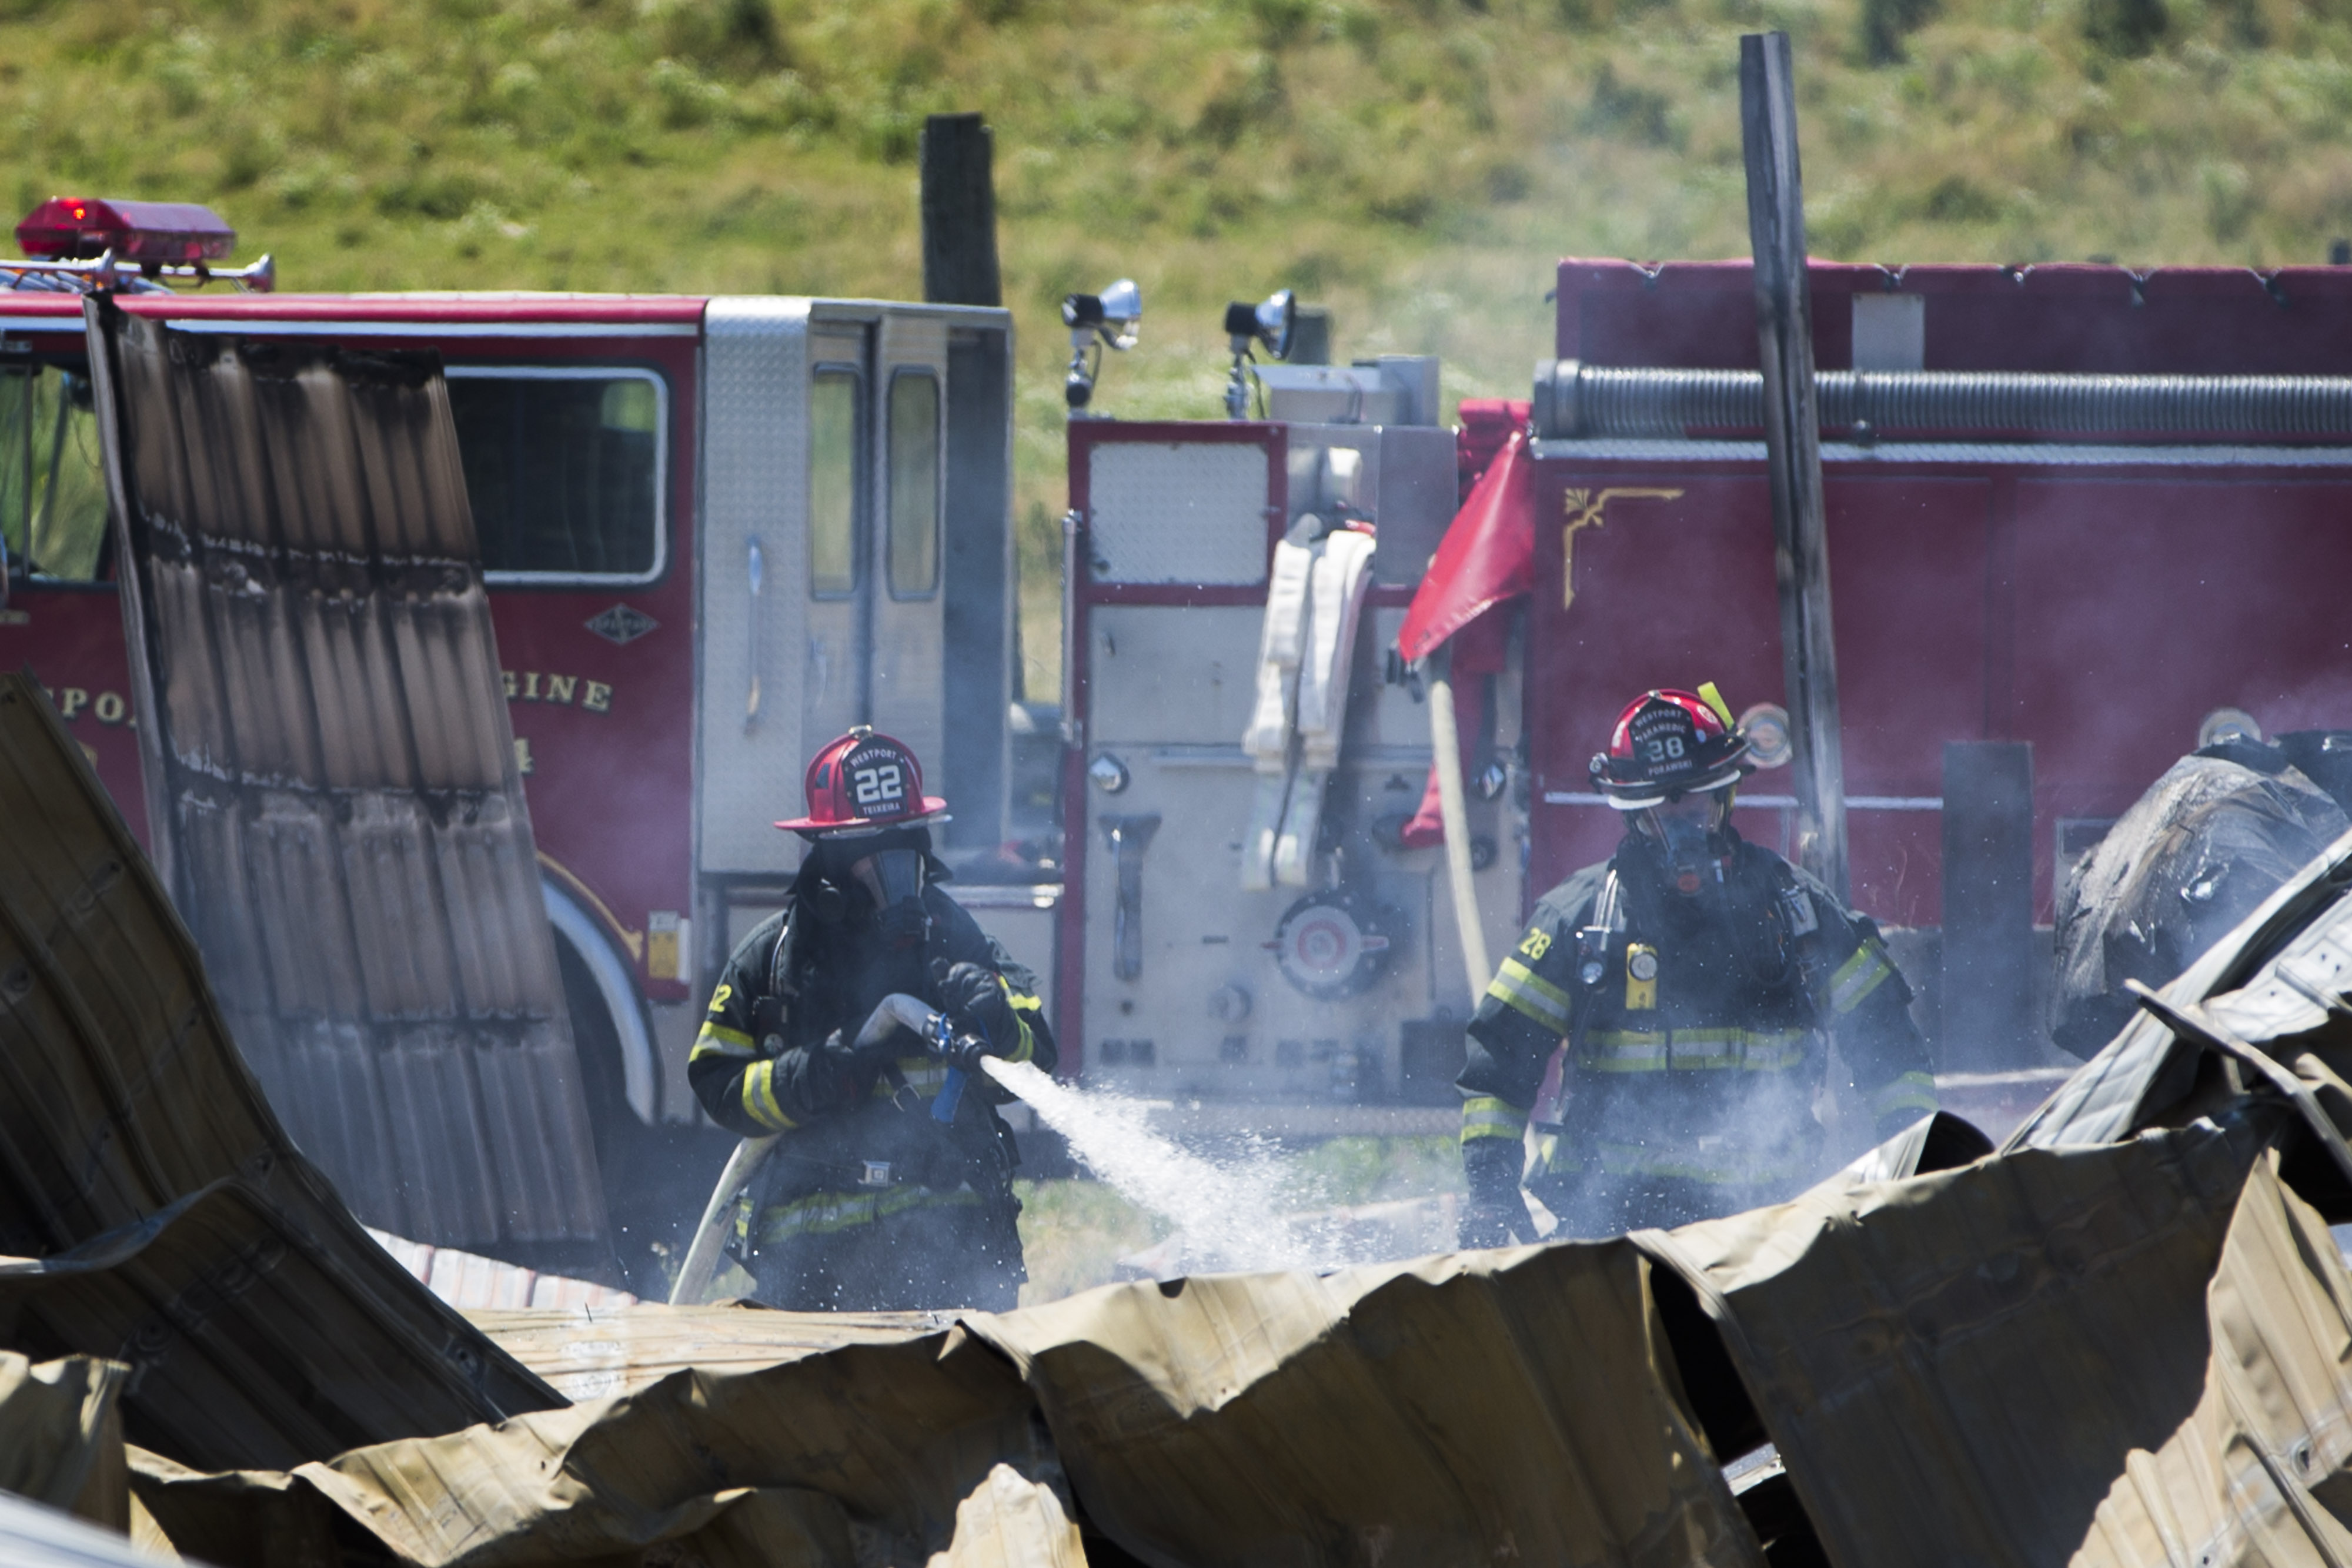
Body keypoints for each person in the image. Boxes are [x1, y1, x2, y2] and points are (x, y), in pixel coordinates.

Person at [1457, 686, 1937, 1244]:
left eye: (1694, 807)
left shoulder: (1796, 912)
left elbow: (1891, 1051)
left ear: (1725, 798)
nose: (1681, 829)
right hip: (1608, 1228)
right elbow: (1500, 1058)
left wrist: (1915, 1181)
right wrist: (1491, 1192)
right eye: (1660, 812)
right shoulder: (1582, 919)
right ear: (1632, 814)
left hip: (1770, 1230)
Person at [689, 726, 1054, 1310]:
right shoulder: (776, 956)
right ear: (827, 856)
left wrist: (997, 1021)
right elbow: (717, 1080)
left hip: (956, 1265)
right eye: (867, 848)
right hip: (813, 1277)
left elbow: (1039, 1057)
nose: (891, 867)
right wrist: (803, 1079)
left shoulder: (957, 938)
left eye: (902, 840)